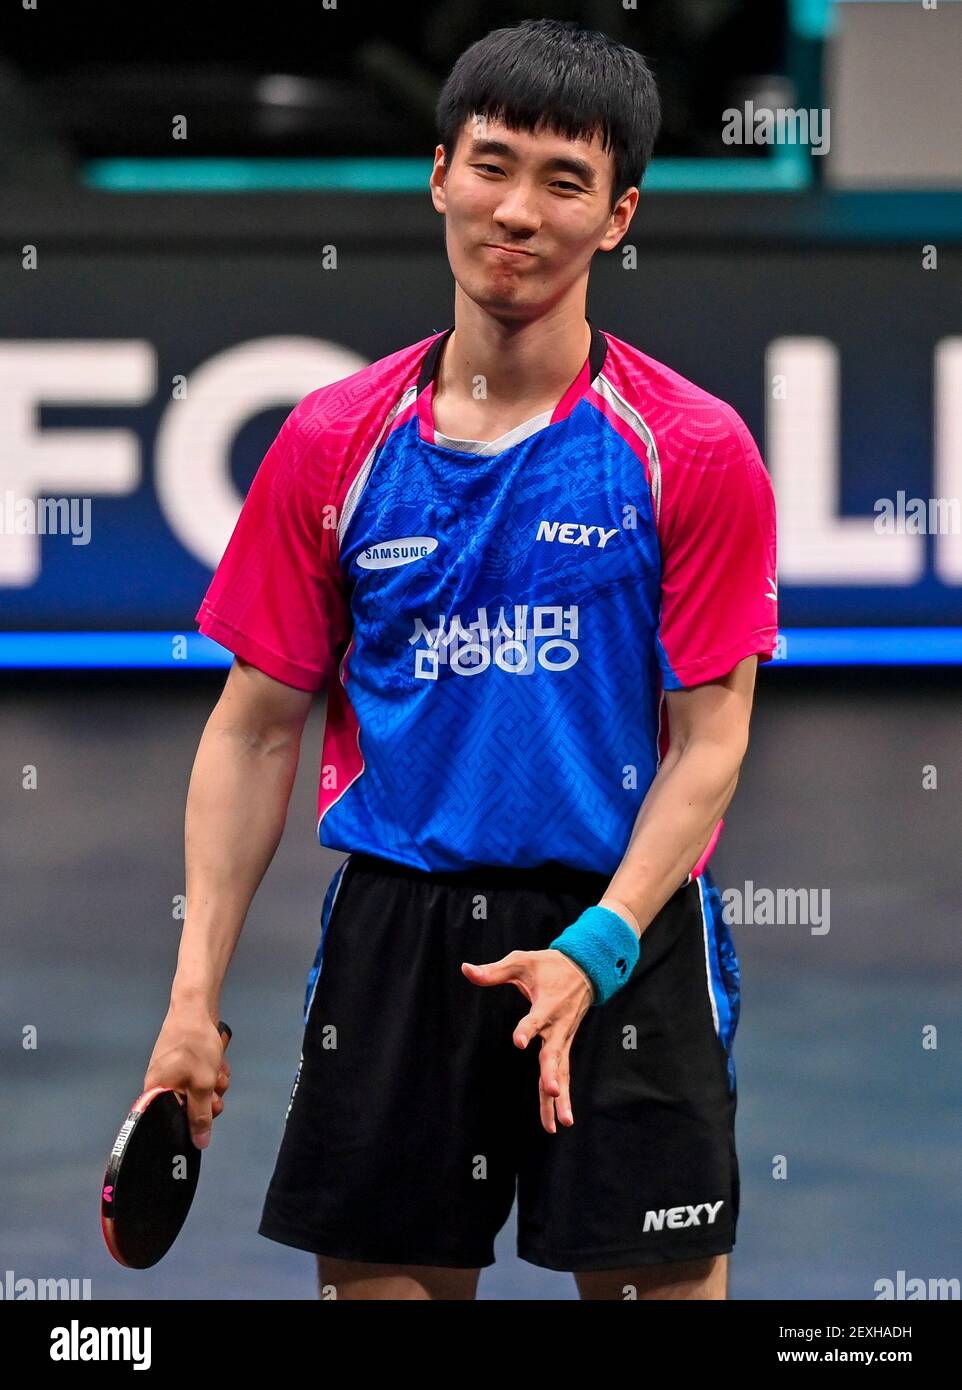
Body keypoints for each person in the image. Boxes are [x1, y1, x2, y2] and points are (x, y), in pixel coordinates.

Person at [144, 17, 777, 1301]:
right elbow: (257, 724)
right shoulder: (331, 444)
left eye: (565, 181)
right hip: (398, 939)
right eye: (492, 164)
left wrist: (595, 946)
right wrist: (193, 993)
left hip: (624, 925)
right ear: (438, 173)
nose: (517, 210)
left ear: (617, 217)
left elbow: (709, 744)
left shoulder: (690, 450)